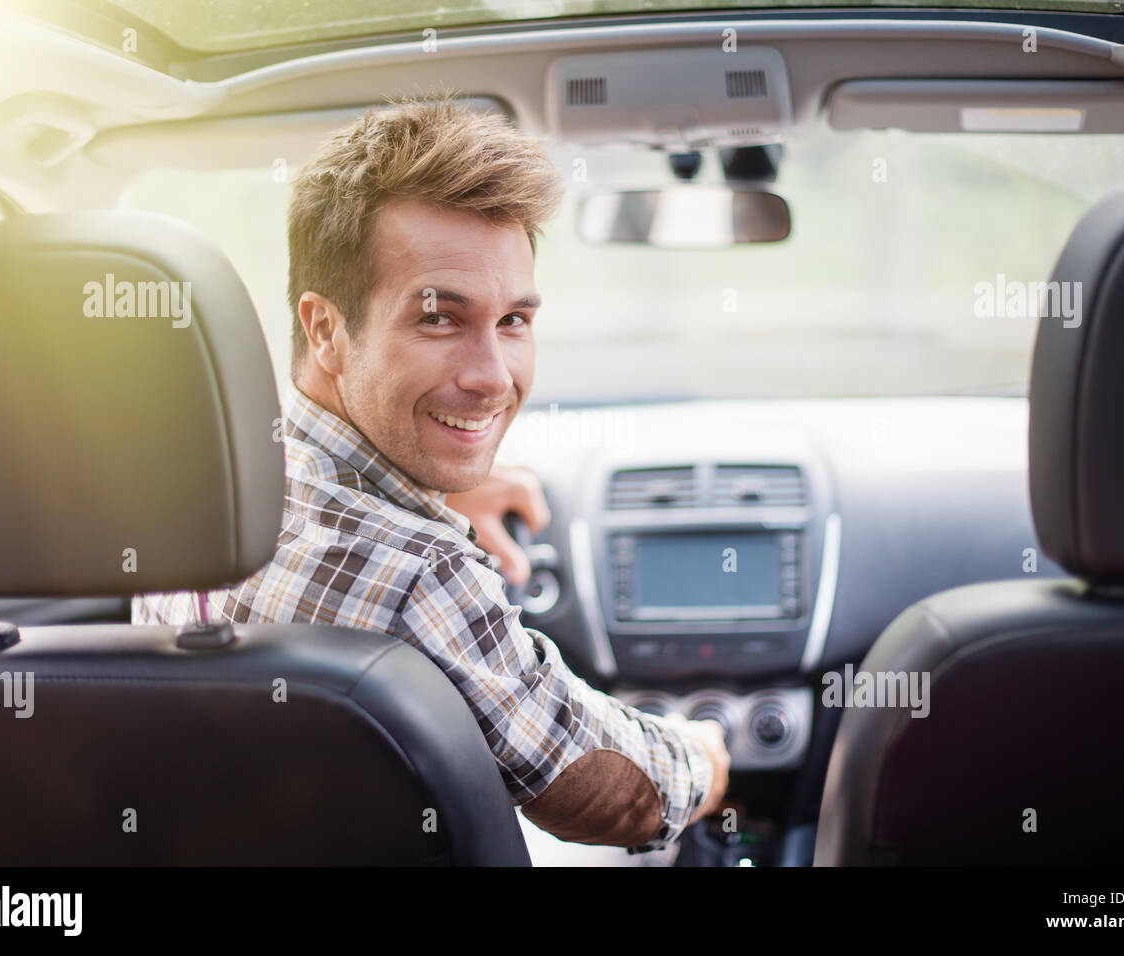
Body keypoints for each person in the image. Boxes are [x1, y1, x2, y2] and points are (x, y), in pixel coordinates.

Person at [134, 96, 729, 852]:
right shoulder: (423, 572)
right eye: (439, 318)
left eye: (513, 320)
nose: (492, 377)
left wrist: (440, 485)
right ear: (325, 329)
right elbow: (612, 798)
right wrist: (705, 756)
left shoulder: (202, 488)